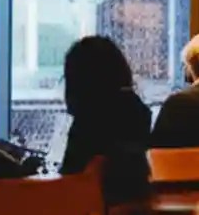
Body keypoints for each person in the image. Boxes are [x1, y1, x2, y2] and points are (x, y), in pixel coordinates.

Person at [58, 36, 150, 204]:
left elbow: (70, 178)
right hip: (132, 213)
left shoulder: (88, 120)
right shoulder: (138, 111)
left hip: (89, 214)